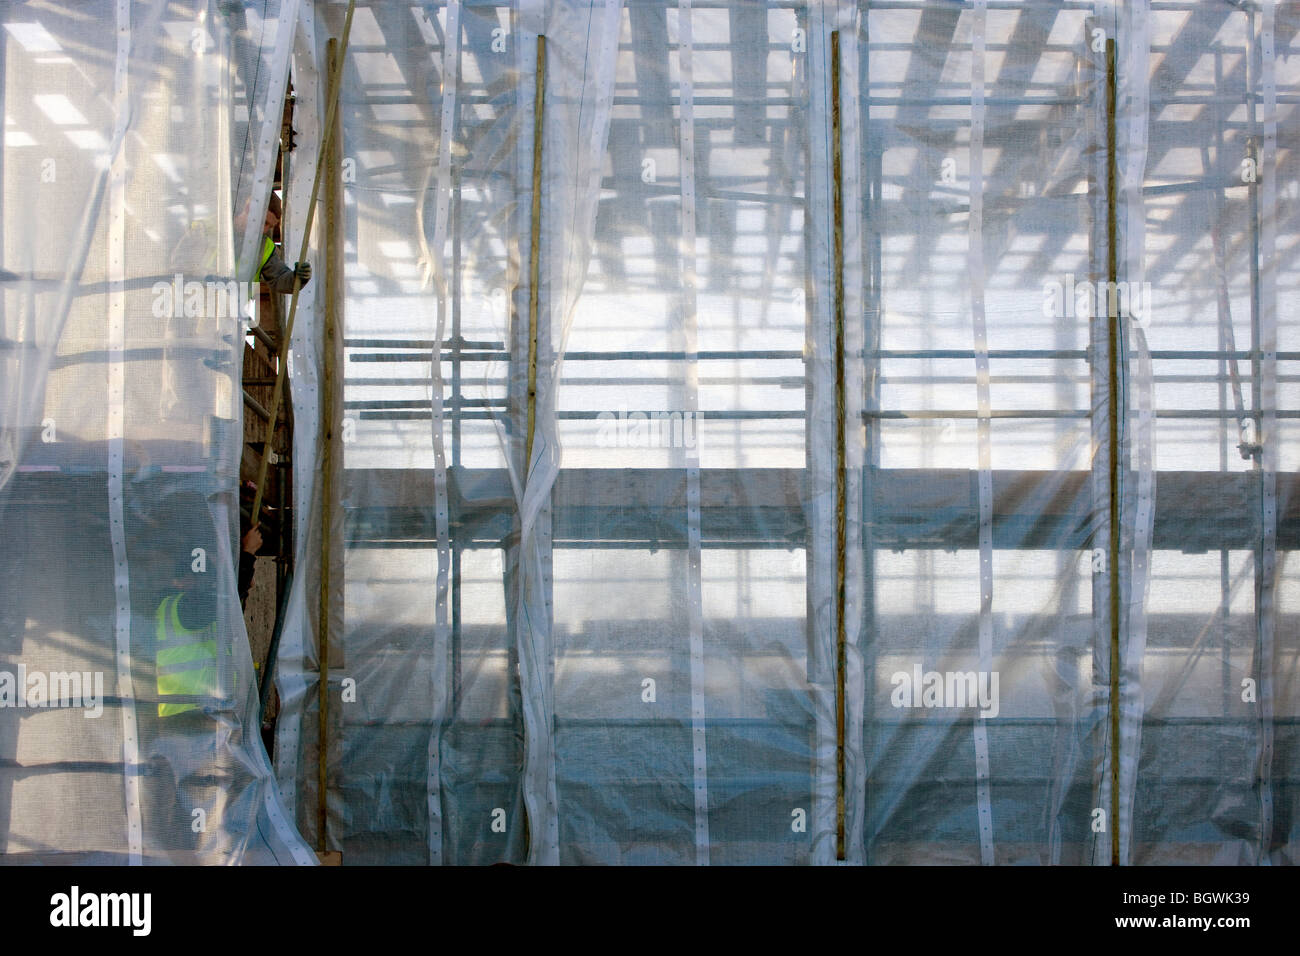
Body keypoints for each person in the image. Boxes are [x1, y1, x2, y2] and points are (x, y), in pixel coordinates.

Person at [233, 191, 312, 294]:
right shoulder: (210, 229)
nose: (265, 231)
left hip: (233, 307)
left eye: (269, 227)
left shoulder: (264, 246)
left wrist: (297, 278)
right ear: (249, 208)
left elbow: (279, 278)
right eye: (264, 222)